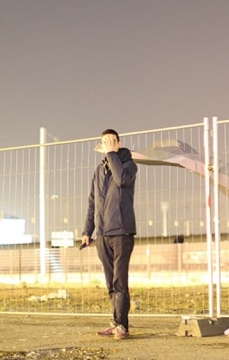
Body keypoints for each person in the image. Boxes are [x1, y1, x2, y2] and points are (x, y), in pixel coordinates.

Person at [82, 128, 138, 339]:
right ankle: (116, 323)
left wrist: (112, 154)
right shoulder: (99, 170)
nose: (107, 144)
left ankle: (122, 327)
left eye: (111, 141)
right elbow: (92, 202)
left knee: (119, 281)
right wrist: (88, 230)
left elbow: (122, 180)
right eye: (104, 142)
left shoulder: (129, 165)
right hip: (102, 235)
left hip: (122, 233)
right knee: (109, 282)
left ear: (118, 143)